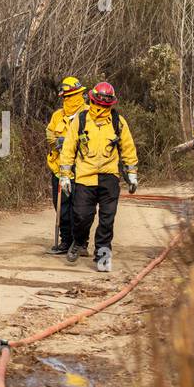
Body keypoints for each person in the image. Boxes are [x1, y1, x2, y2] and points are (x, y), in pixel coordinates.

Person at [57, 82, 138, 272]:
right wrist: (65, 176)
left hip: (109, 177)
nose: (102, 108)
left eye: (106, 105)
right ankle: (79, 242)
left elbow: (128, 148)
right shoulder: (81, 120)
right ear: (93, 100)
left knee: (107, 220)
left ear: (111, 104)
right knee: (81, 216)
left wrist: (132, 174)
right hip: (85, 177)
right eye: (99, 104)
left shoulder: (118, 121)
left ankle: (102, 256)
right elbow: (69, 148)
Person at [45, 76, 87, 255]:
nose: (66, 100)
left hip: (81, 169)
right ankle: (66, 241)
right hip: (58, 168)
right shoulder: (57, 115)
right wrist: (57, 142)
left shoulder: (88, 114)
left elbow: (93, 140)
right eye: (65, 97)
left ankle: (81, 243)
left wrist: (73, 142)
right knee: (61, 206)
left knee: (80, 208)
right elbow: (49, 134)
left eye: (69, 96)